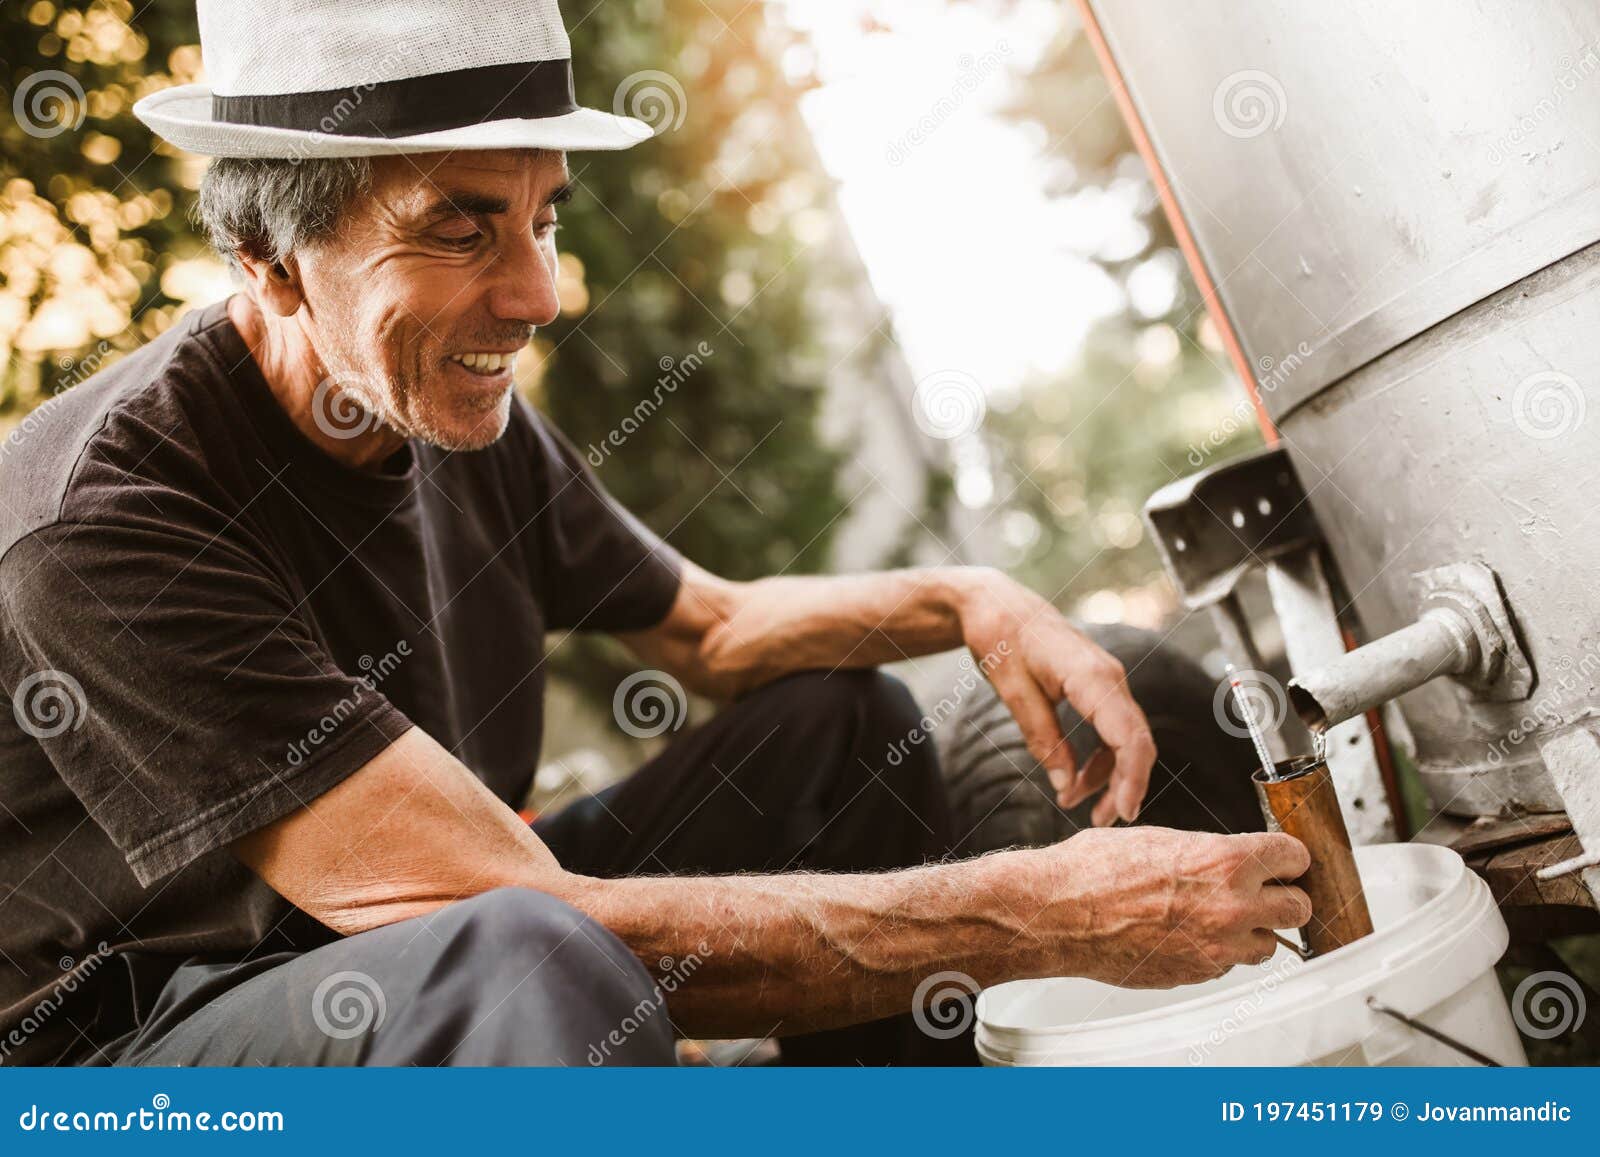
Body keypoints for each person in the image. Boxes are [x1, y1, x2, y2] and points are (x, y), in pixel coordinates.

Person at [0, 0, 1310, 1067]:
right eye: (459, 227)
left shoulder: (442, 401)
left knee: (835, 726)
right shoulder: (106, 522)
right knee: (525, 960)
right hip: (141, 1052)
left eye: (543, 218)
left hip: (443, 929)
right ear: (269, 258)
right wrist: (1041, 913)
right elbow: (491, 914)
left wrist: (970, 599)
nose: (537, 293)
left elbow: (714, 631)